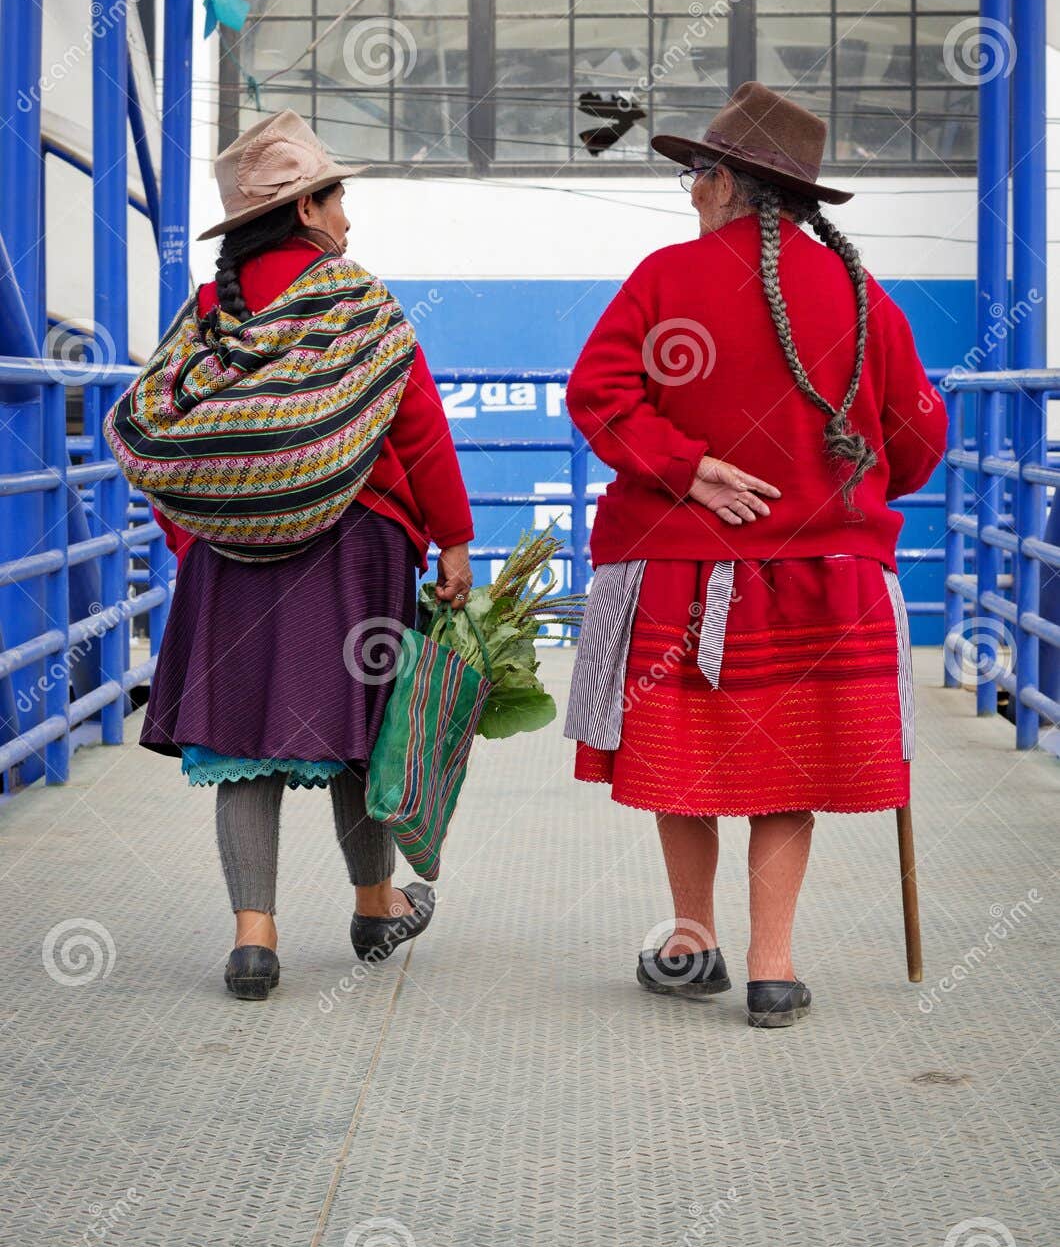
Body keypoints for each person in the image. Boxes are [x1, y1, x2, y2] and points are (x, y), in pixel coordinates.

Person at [563, 83, 948, 1029]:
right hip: (830, 581)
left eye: (697, 172)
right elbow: (920, 439)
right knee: (789, 773)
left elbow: (597, 396)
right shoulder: (865, 300)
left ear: (727, 183)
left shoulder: (665, 279)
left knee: (686, 761)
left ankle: (694, 939)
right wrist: (839, 498)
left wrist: (684, 470)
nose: (689, 188)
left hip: (682, 574)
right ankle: (774, 969)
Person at [134, 111, 474, 1000]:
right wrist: (455, 542)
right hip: (357, 548)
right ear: (311, 210)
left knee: (242, 744)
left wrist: (202, 535)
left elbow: (174, 444)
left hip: (230, 564)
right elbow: (422, 428)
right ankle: (373, 906)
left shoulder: (210, 313)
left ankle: (254, 940)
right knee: (358, 741)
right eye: (339, 198)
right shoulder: (357, 300)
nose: (349, 219)